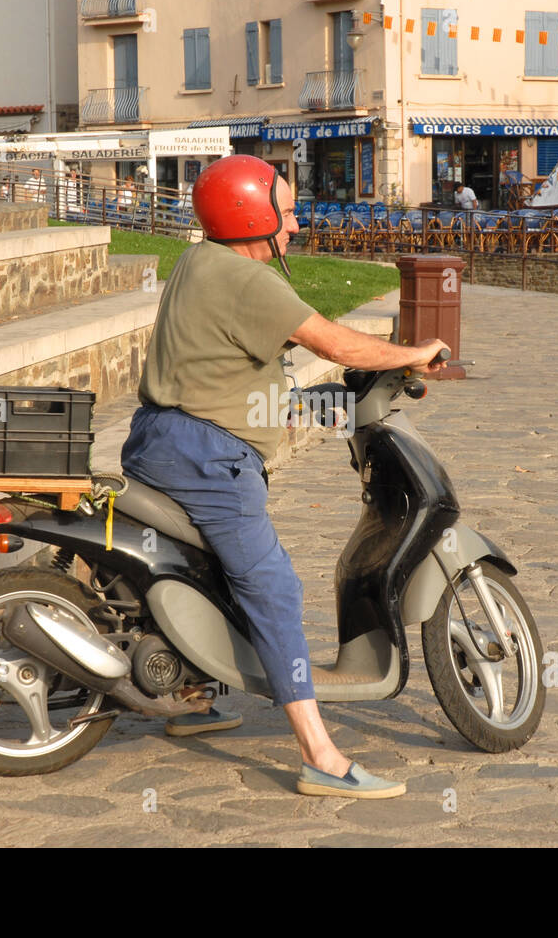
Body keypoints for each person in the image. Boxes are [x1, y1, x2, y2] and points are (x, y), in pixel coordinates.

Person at [120, 155, 448, 800]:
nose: (296, 225)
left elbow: (239, 350)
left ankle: (190, 694)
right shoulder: (248, 281)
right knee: (273, 587)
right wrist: (413, 354)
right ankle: (320, 756)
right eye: (289, 212)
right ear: (254, 215)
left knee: (200, 566)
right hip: (207, 458)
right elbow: (336, 345)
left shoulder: (199, 260)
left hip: (160, 438)